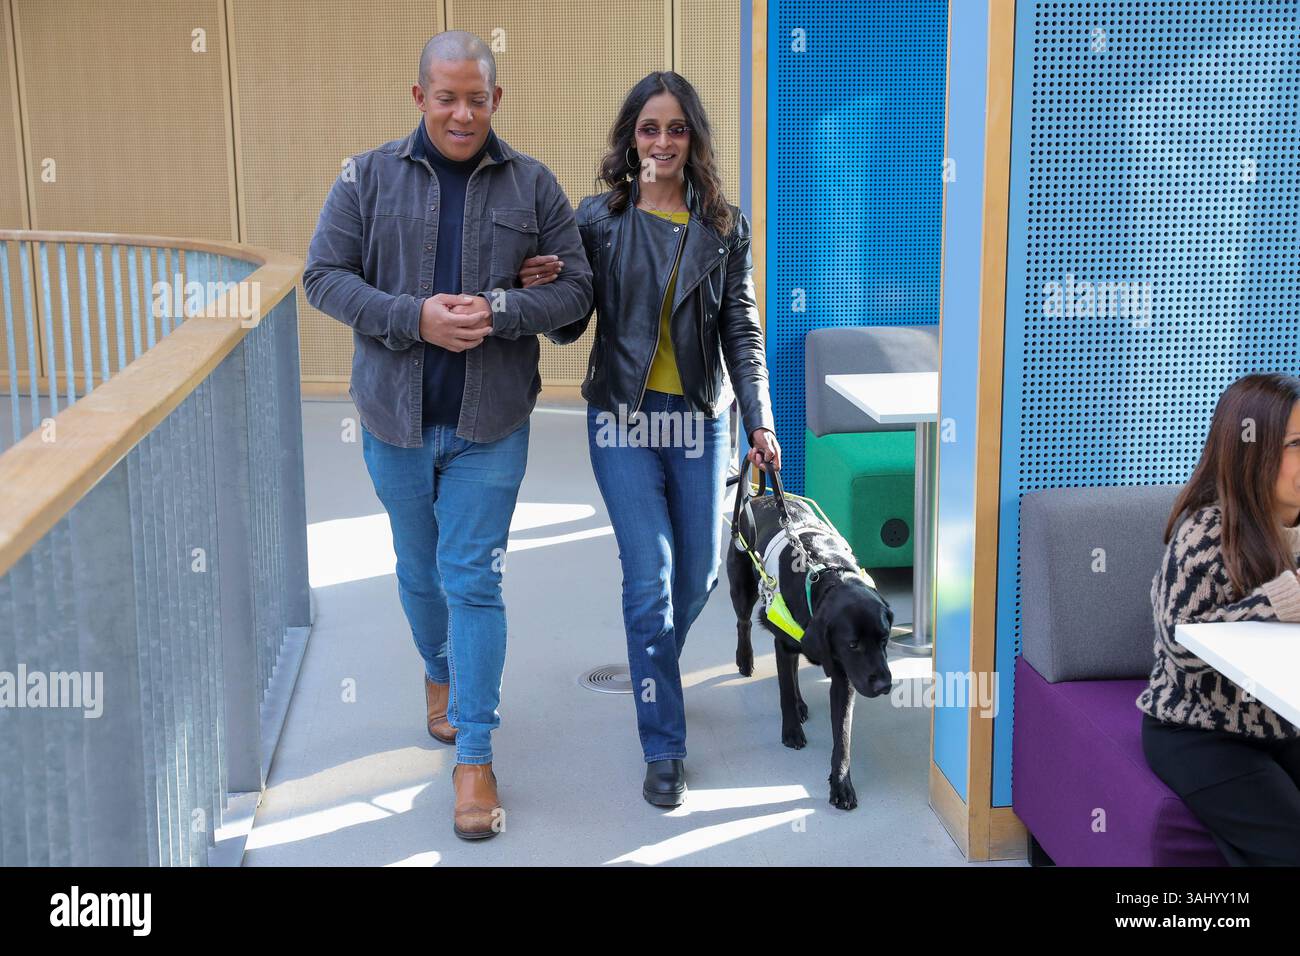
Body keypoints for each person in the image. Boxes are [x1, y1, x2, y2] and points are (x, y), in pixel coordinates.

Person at [303, 30, 592, 840]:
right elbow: (322, 275)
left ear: (496, 100)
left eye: (477, 97)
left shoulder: (533, 185)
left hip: (490, 424)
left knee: (474, 581)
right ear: (420, 97)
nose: (462, 112)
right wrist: (414, 319)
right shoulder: (365, 177)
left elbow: (577, 295)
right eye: (446, 96)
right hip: (394, 419)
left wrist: (502, 310)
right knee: (418, 571)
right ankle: (438, 672)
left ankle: (475, 753)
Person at [523, 72, 779, 807]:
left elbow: (742, 328)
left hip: (699, 423)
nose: (661, 142)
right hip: (623, 421)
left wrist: (758, 417)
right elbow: (571, 324)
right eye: (648, 128)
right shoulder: (598, 220)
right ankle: (663, 746)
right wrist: (546, 285)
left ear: (692, 138)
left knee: (697, 574)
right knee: (650, 577)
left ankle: (650, 668)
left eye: (675, 129)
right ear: (630, 137)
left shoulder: (724, 226)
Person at [1138, 371, 1300, 865]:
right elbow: (1181, 648)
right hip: (1199, 729)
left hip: (1283, 721)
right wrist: (1276, 601)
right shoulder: (1205, 533)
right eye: (1296, 443)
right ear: (1254, 452)